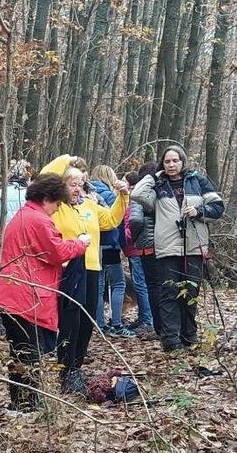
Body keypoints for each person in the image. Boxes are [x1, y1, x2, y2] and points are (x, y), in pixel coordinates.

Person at [0, 173, 88, 412]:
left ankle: (20, 403)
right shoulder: (38, 220)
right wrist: (80, 244)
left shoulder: (24, 215)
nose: (57, 209)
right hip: (24, 296)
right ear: (46, 199)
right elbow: (56, 252)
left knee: (19, 350)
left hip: (13, 293)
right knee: (28, 352)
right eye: (57, 203)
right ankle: (27, 405)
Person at [39, 156, 129, 394]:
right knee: (71, 320)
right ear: (62, 185)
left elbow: (110, 220)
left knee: (88, 319)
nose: (77, 188)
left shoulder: (89, 205)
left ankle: (76, 366)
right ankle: (66, 367)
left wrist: (123, 197)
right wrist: (68, 159)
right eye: (72, 184)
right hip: (68, 268)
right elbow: (44, 174)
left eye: (80, 184)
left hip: (92, 268)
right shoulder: (57, 207)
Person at [131, 145, 225, 353]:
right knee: (169, 293)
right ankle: (171, 339)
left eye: (175, 160)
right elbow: (137, 194)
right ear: (162, 164)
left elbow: (218, 208)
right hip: (167, 247)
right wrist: (154, 175)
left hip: (194, 246)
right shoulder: (158, 184)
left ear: (183, 161)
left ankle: (188, 335)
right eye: (167, 161)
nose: (171, 165)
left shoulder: (198, 181)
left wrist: (199, 211)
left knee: (191, 292)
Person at [89, 165, 132, 337]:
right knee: (118, 284)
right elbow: (117, 222)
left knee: (99, 286)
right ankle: (116, 323)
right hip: (110, 246)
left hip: (94, 245)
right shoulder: (110, 195)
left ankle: (99, 323)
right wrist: (122, 244)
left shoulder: (88, 194)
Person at [124, 164, 156, 338]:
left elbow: (135, 222)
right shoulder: (156, 193)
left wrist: (129, 237)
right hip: (141, 248)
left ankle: (147, 320)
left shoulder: (138, 196)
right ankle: (145, 317)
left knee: (141, 284)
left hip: (138, 247)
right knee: (145, 283)